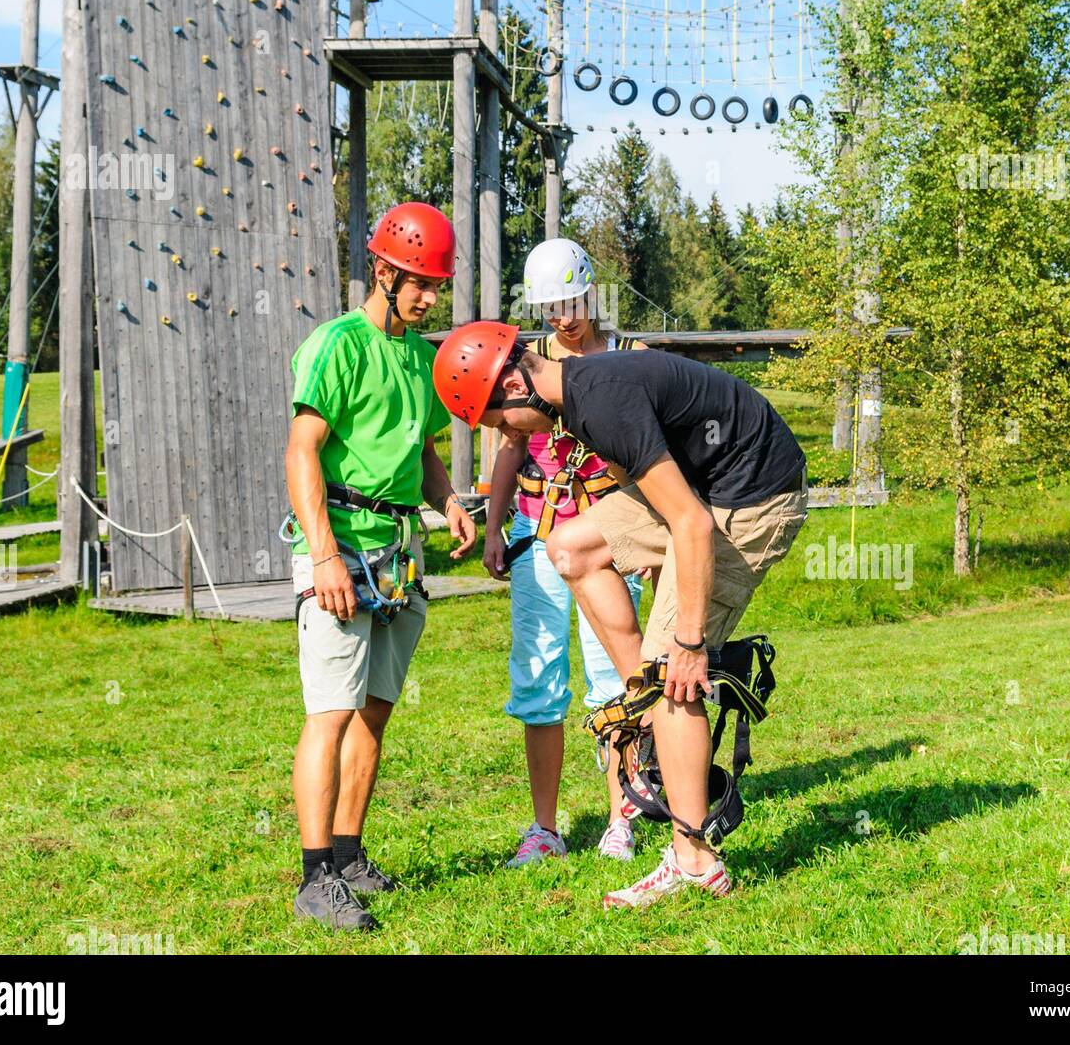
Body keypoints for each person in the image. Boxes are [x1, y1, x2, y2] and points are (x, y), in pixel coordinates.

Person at [433, 324, 807, 909]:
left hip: (754, 497)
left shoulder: (601, 399)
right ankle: (647, 704)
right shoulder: (581, 396)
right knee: (570, 546)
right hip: (708, 488)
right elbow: (654, 494)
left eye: (502, 422)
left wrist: (686, 641)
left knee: (674, 676)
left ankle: (695, 859)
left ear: (513, 382)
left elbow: (691, 525)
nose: (508, 434)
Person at [285, 202, 477, 932]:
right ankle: (313, 879)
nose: (430, 296)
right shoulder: (336, 345)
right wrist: (325, 554)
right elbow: (302, 449)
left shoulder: (424, 359)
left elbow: (423, 452)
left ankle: (349, 852)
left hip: (398, 553)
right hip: (340, 547)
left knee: (374, 712)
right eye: (419, 281)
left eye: (436, 284)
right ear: (383, 270)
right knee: (329, 714)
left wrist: (448, 500)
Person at [482, 239, 647, 866]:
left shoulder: (627, 361)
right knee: (540, 676)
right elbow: (509, 449)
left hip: (609, 539)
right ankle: (544, 828)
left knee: (617, 678)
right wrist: (494, 526)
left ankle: (622, 818)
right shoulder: (526, 364)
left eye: (569, 304)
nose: (560, 319)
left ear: (590, 293)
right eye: (548, 308)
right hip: (537, 535)